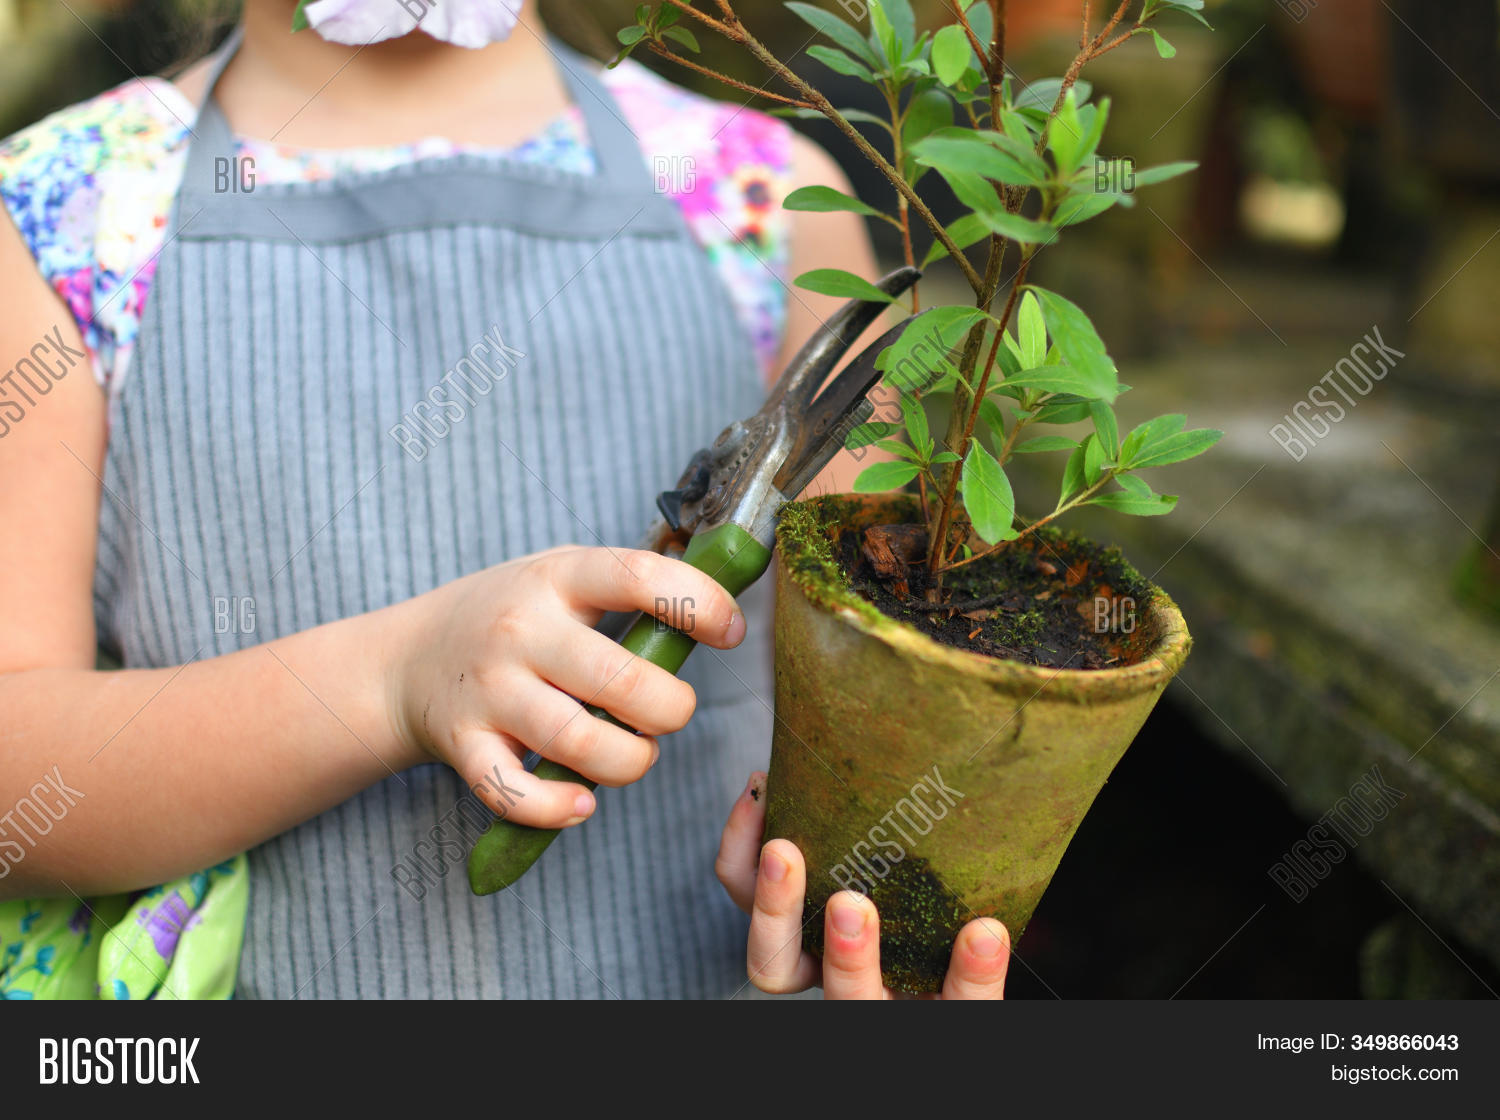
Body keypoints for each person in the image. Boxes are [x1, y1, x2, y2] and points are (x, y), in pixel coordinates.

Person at [0, 0, 1007, 999]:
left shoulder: (760, 197)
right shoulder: (70, 213)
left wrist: (859, 893)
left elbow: (890, 700)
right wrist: (390, 681)